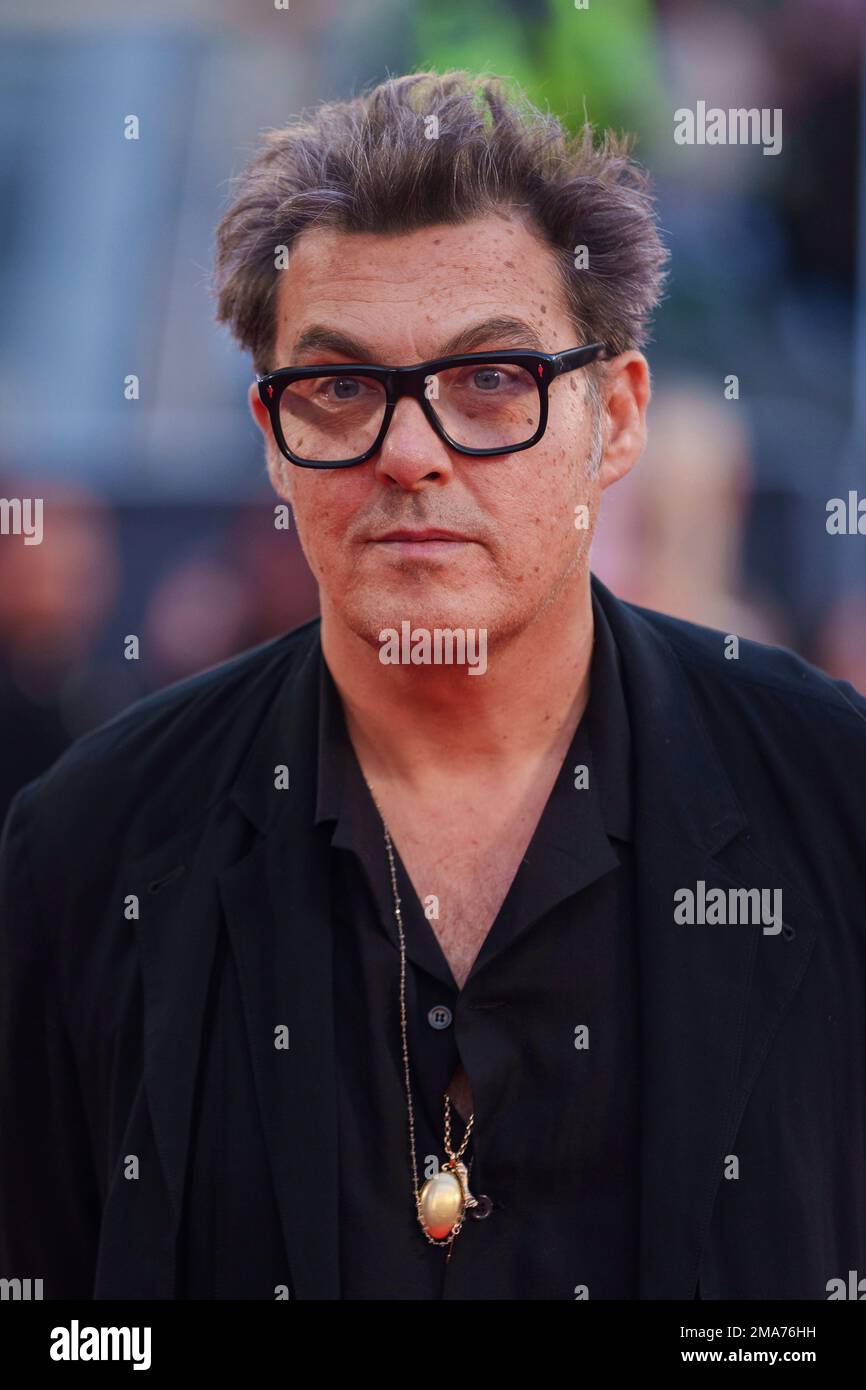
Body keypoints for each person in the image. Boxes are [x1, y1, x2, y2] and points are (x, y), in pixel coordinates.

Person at [1, 70, 864, 1302]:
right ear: (271, 437)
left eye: (490, 380)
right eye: (339, 387)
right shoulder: (93, 845)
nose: (408, 452)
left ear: (613, 420)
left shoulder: (831, 802)